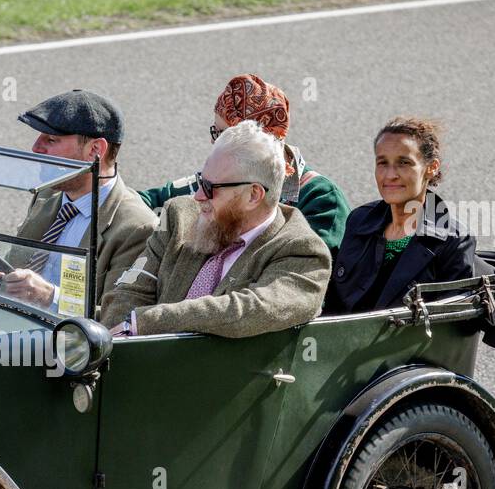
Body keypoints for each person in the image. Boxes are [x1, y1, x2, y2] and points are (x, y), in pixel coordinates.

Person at [100, 120, 330, 338]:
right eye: (201, 181)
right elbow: (128, 291)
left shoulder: (302, 252)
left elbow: (247, 311)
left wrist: (144, 323)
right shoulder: (179, 216)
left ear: (254, 195)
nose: (198, 196)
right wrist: (127, 341)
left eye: (211, 188)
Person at [139, 73, 350, 251]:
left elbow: (310, 275)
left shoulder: (321, 200)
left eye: (225, 135)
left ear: (259, 141)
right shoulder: (214, 183)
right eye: (216, 133)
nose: (215, 143)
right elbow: (146, 202)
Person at [1, 90, 157, 315]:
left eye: (51, 139)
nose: (36, 148)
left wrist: (50, 297)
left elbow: (118, 318)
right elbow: (13, 268)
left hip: (71, 345)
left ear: (95, 150)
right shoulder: (45, 197)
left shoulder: (137, 228)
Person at [323, 117, 475, 315]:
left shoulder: (454, 242)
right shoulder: (359, 220)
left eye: (404, 163)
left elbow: (451, 330)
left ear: (431, 167)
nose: (390, 175)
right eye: (382, 163)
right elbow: (333, 301)